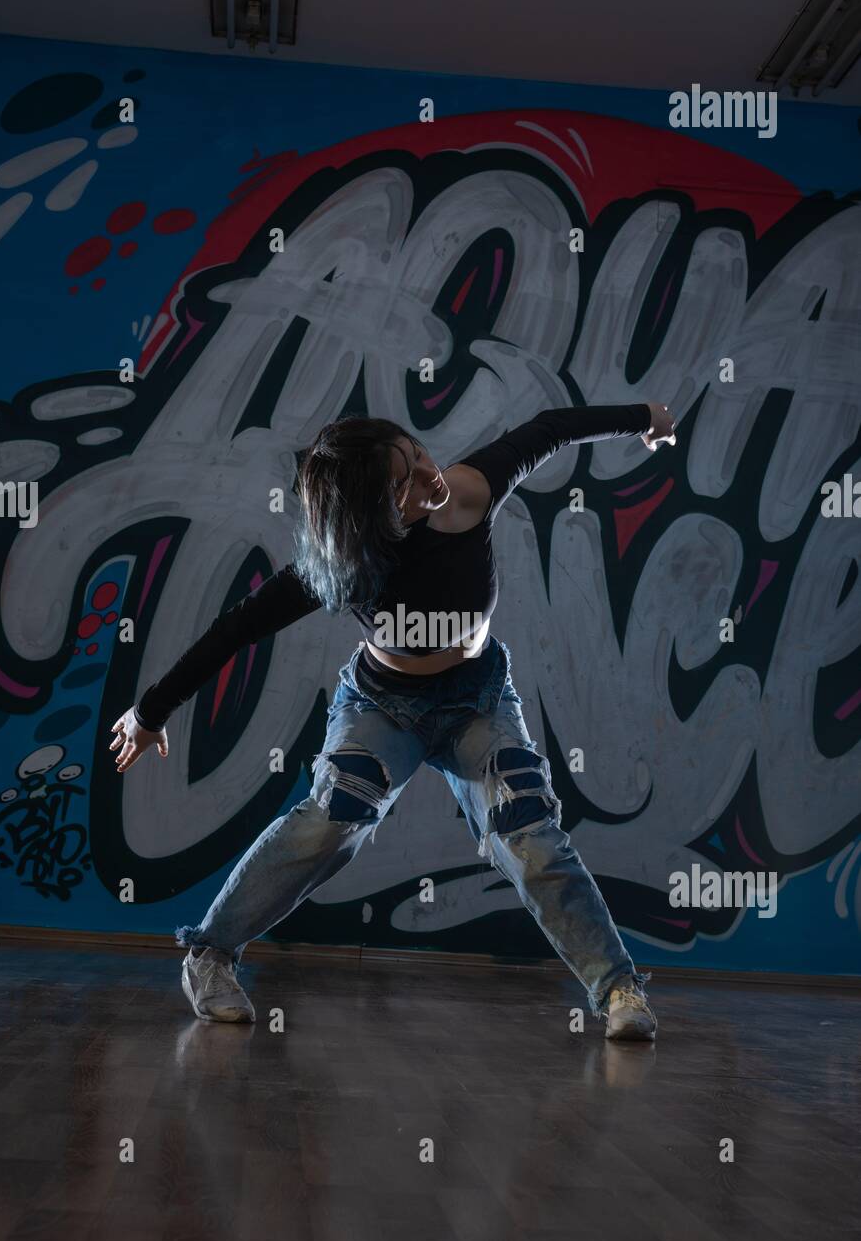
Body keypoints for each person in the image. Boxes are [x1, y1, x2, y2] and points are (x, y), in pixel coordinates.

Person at [110, 400, 677, 1040]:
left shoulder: (466, 492)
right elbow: (235, 630)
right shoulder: (342, 564)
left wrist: (643, 417)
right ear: (366, 519)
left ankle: (619, 990)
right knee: (334, 817)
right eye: (402, 487)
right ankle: (210, 955)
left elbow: (546, 428)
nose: (429, 479)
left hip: (479, 698)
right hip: (383, 705)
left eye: (416, 455)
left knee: (528, 829)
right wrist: (149, 712)